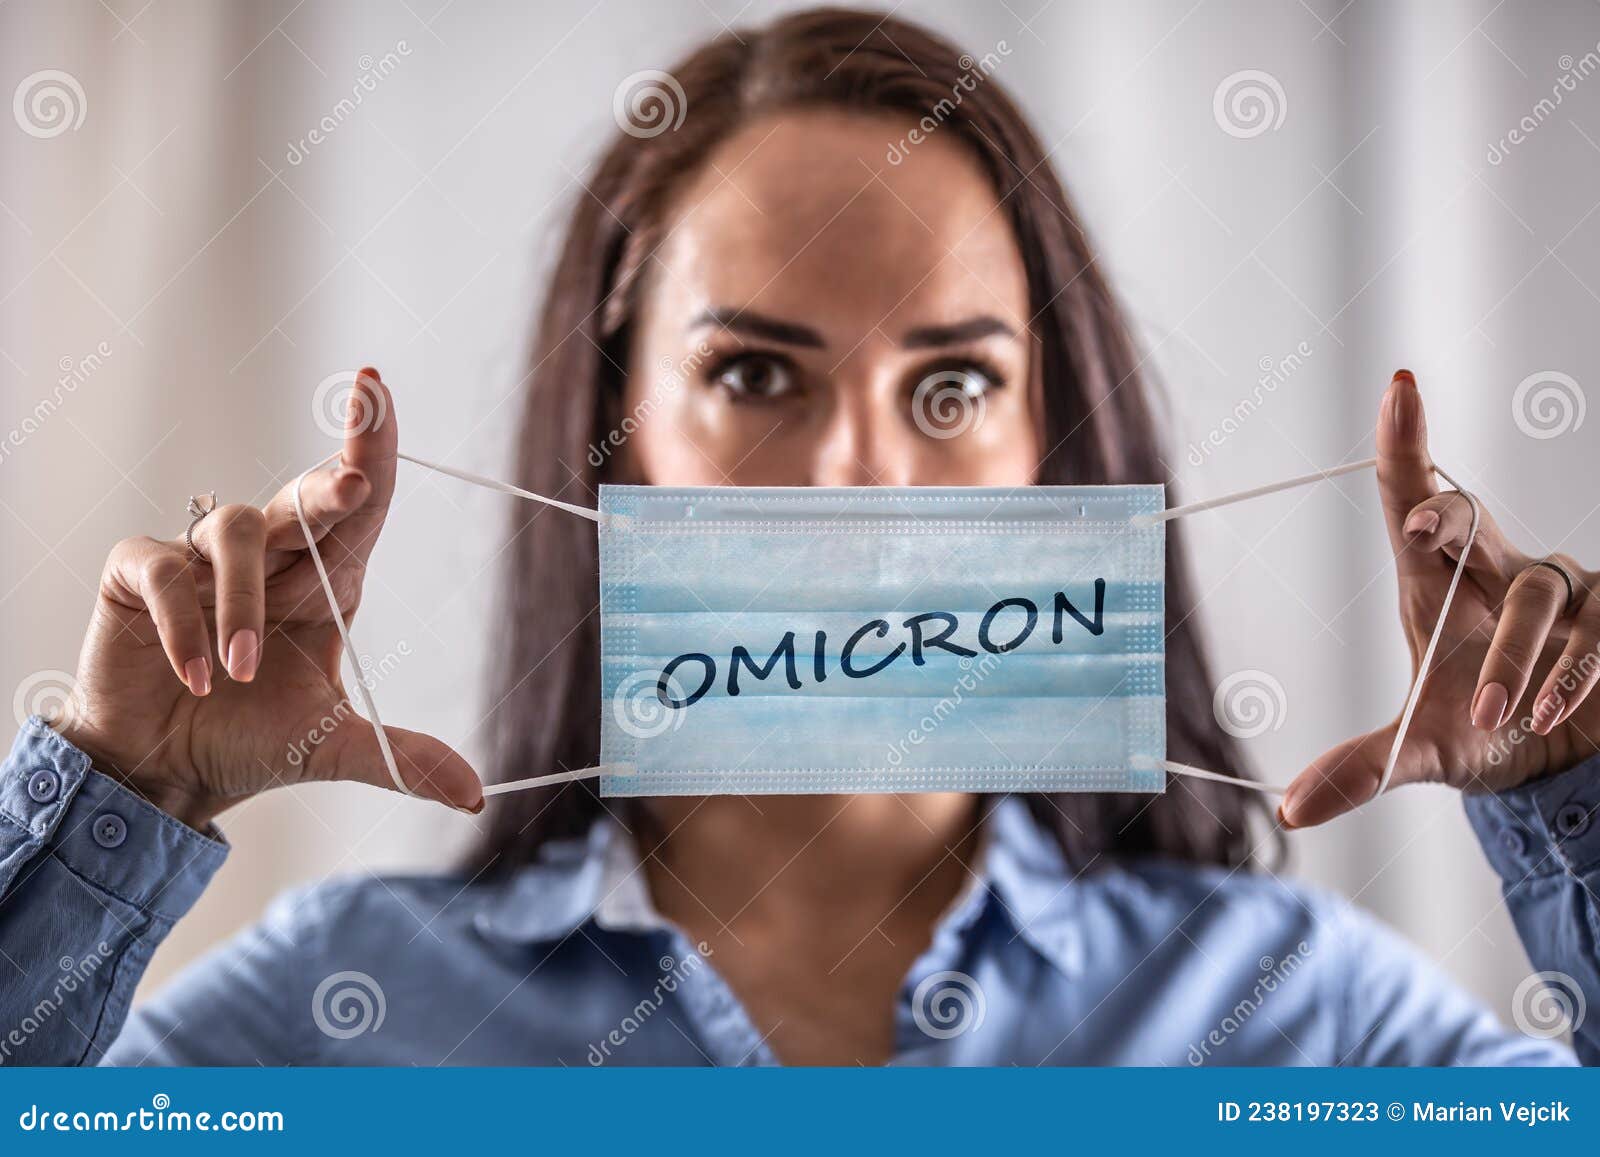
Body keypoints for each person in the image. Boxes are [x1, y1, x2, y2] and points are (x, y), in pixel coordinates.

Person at [1, 7, 1595, 1067]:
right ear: (612, 433)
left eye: (955, 380)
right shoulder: (339, 1015)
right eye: (757, 372)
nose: (859, 477)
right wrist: (112, 804)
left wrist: (1569, 806)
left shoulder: (1293, 1013)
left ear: (1060, 445)